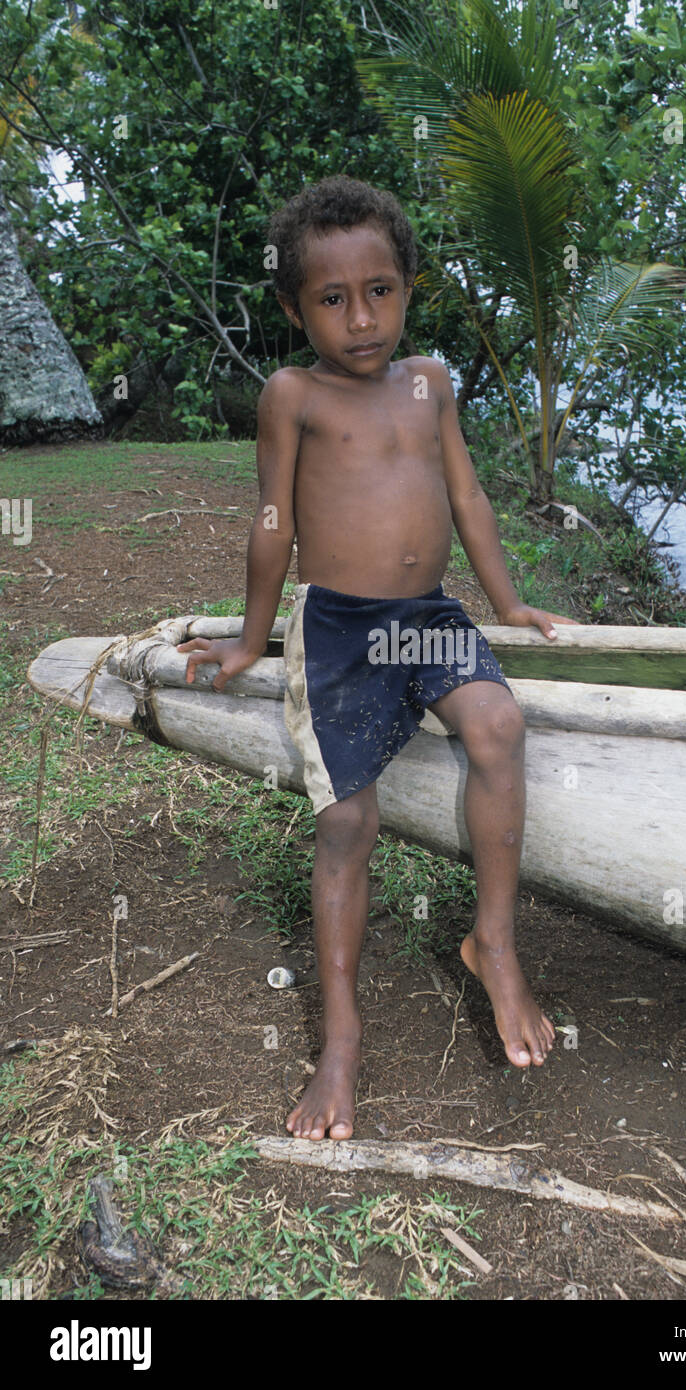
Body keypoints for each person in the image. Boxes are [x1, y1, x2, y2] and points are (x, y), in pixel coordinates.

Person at [178, 175, 578, 1141]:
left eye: (381, 291)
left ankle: (494, 942)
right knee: (348, 821)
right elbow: (272, 525)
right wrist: (251, 633)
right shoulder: (293, 395)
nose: (362, 319)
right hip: (342, 629)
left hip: (429, 613)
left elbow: (469, 498)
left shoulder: (430, 382)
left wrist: (510, 600)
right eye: (331, 298)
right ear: (293, 306)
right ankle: (343, 1041)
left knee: (498, 723)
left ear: (408, 287)